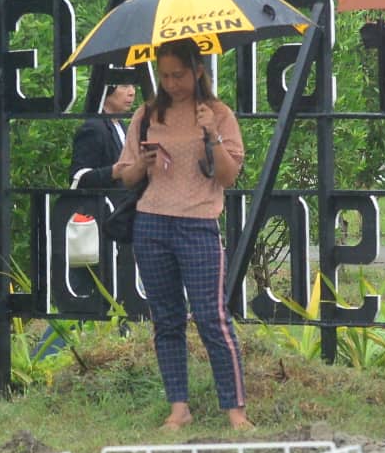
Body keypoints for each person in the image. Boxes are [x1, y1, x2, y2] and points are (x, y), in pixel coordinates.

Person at [111, 38, 252, 430]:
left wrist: (212, 136)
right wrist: (142, 163)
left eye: (179, 75)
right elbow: (126, 175)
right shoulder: (146, 114)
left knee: (211, 316)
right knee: (167, 319)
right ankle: (178, 407)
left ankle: (235, 409)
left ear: (198, 71)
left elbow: (228, 176)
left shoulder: (219, 114)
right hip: (152, 222)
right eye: (165, 76)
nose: (171, 84)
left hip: (199, 222)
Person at [69, 82, 141, 247]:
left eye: (133, 86)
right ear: (107, 89)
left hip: (124, 219)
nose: (131, 92)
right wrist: (114, 171)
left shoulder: (122, 125)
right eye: (124, 86)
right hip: (102, 222)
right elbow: (78, 178)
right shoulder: (93, 127)